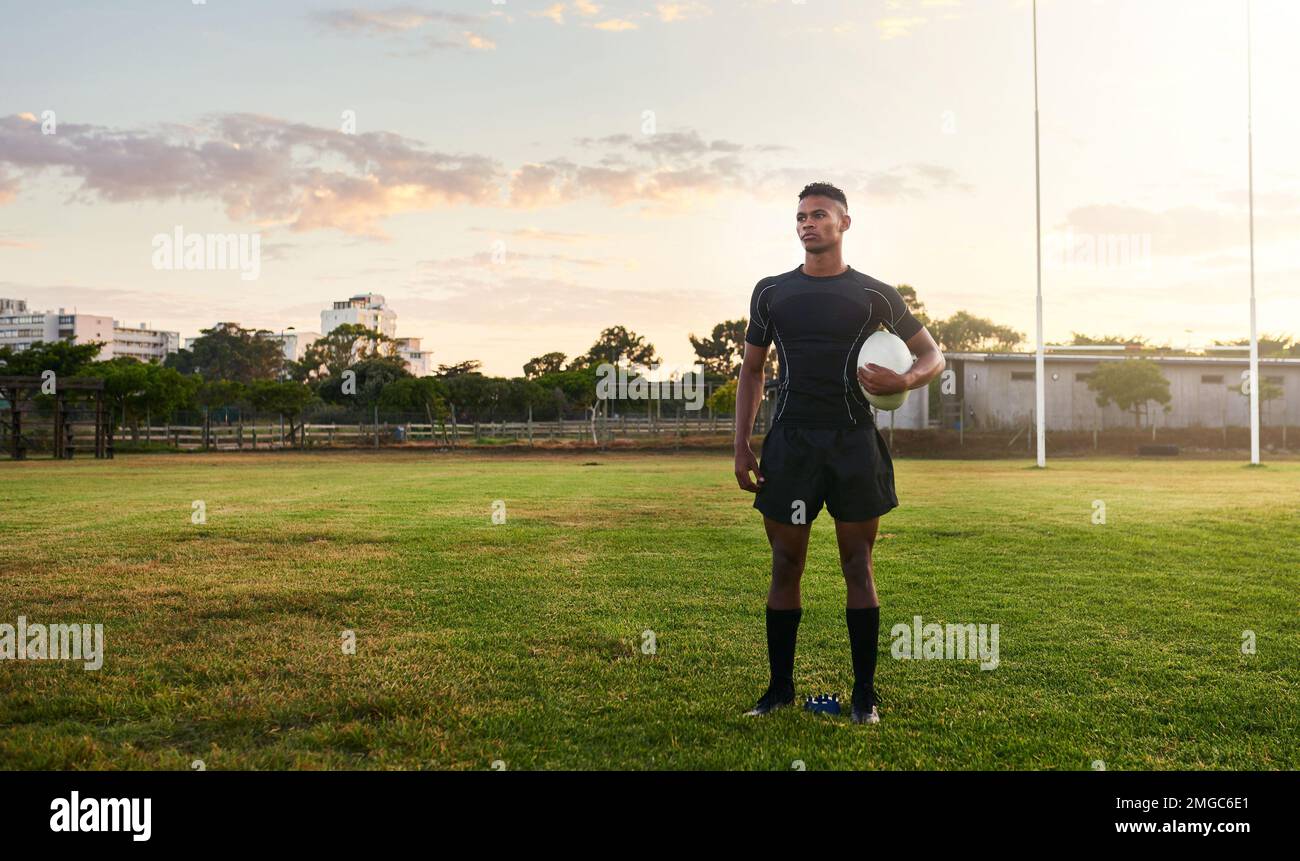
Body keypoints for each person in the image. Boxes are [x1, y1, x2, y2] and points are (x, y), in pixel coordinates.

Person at [733, 181, 945, 724]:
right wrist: (741, 444)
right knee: (786, 563)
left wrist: (907, 377)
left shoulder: (875, 294)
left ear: (844, 223)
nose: (808, 223)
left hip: (854, 442)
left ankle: (864, 695)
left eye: (819, 214)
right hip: (791, 444)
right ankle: (779, 689)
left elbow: (932, 355)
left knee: (859, 564)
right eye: (801, 216)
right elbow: (753, 370)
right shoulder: (770, 292)